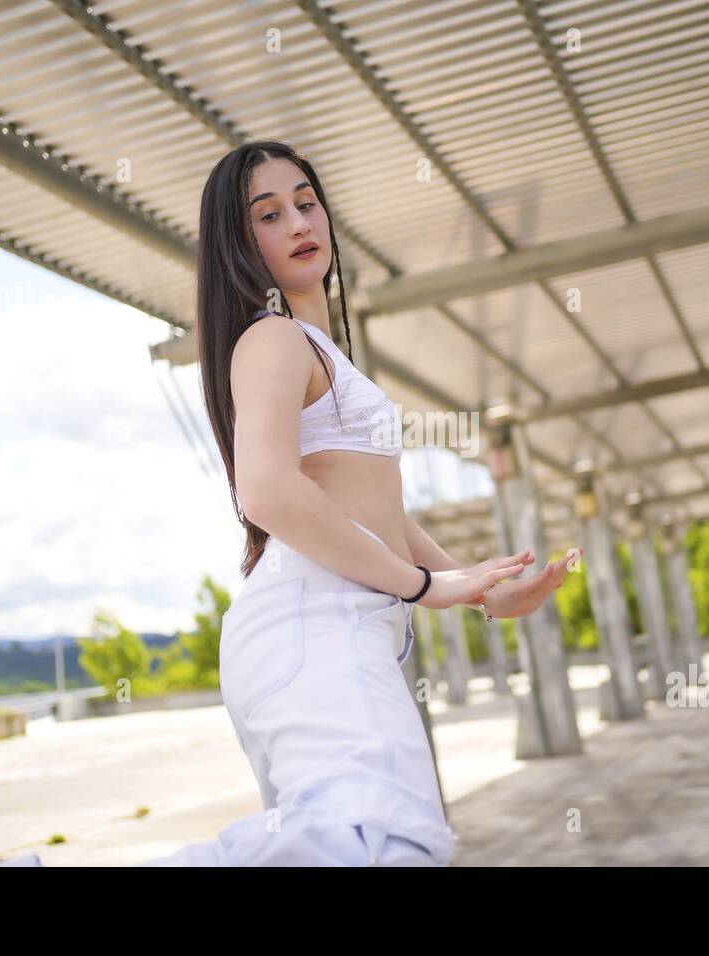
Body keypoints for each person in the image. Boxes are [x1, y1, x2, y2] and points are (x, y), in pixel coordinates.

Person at [138, 141, 573, 867]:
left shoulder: (317, 351)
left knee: (358, 848)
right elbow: (271, 492)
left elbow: (371, 506)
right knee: (377, 847)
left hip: (323, 632)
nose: (300, 222)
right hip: (312, 628)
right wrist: (426, 586)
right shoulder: (273, 339)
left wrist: (470, 588)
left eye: (308, 203)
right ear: (239, 247)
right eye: (269, 215)